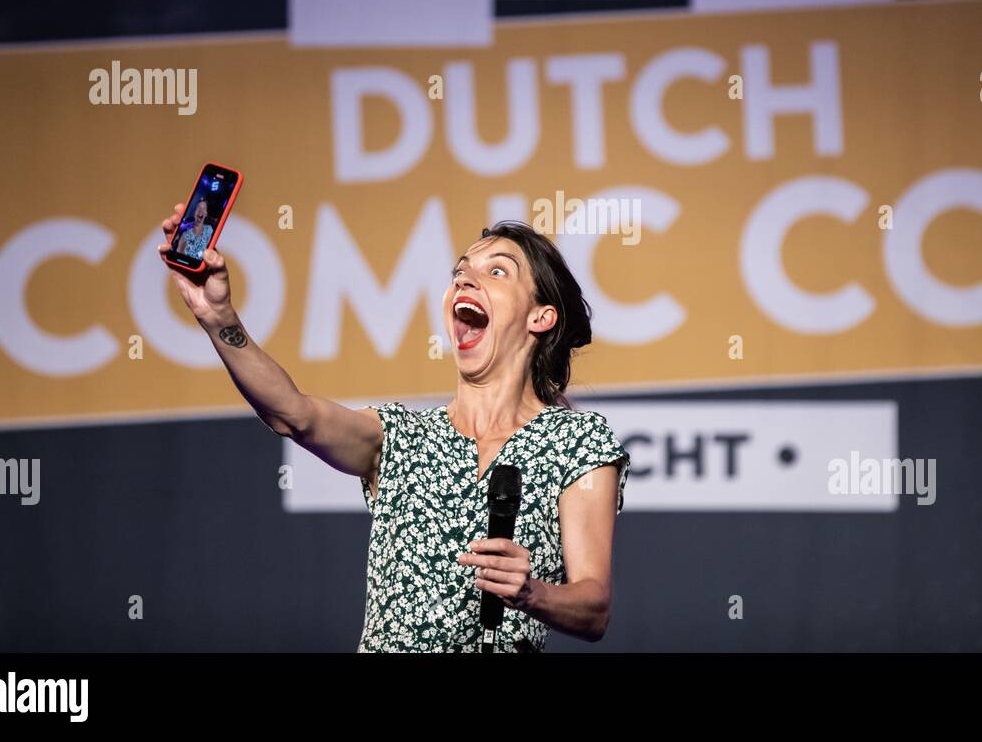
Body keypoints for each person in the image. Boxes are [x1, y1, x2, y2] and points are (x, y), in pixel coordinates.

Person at [157, 206, 630, 652]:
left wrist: (531, 593)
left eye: (497, 271)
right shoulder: (400, 436)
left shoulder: (576, 442)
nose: (466, 277)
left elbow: (594, 607)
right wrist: (218, 317)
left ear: (540, 317)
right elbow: (292, 413)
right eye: (461, 271)